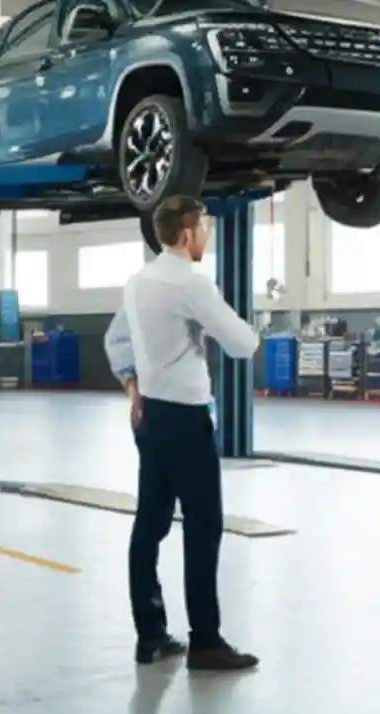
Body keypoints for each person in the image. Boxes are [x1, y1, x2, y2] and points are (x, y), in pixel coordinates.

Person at [103, 195, 261, 671]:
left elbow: (117, 341)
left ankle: (150, 636)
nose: (208, 236)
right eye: (205, 228)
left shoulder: (137, 282)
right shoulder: (190, 282)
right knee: (203, 526)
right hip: (188, 421)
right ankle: (206, 641)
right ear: (188, 235)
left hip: (150, 417)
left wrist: (133, 386)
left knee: (149, 525)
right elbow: (242, 343)